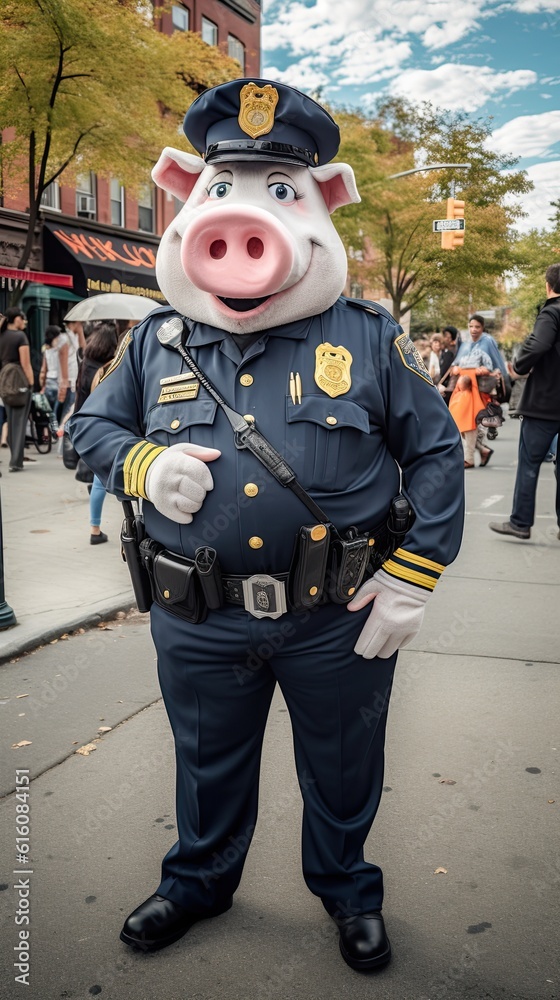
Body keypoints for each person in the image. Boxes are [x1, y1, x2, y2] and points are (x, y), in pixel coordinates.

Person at [69, 77, 465, 971]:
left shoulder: (367, 336)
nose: (243, 229)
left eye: (278, 193)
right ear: (189, 198)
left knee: (342, 767)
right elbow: (89, 429)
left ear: (321, 205)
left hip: (335, 616)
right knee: (206, 761)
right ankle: (198, 883)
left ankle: (347, 891)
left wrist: (413, 575)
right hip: (199, 616)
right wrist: (142, 464)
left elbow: (437, 455)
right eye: (223, 190)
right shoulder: (156, 340)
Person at [490, 264, 560, 540]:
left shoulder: (551, 312)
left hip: (544, 404)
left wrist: (518, 367)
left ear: (548, 285)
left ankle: (520, 522)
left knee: (529, 463)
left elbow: (539, 343)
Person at [74, 322, 119, 544]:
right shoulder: (111, 366)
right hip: (108, 425)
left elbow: (79, 396)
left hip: (88, 424)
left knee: (98, 480)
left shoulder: (85, 363)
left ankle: (94, 528)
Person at [0, 307, 34, 472]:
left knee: (11, 419)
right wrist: (31, 382)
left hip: (5, 382)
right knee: (19, 422)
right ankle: (16, 461)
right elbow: (26, 363)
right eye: (23, 318)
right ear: (17, 319)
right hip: (19, 381)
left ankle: (14, 457)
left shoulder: (2, 335)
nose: (24, 321)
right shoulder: (20, 336)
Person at [39, 325, 65, 417]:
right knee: (58, 415)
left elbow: (43, 371)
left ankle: (47, 430)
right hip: (60, 384)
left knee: (47, 414)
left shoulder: (46, 351)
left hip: (49, 383)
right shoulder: (63, 351)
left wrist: (42, 387)